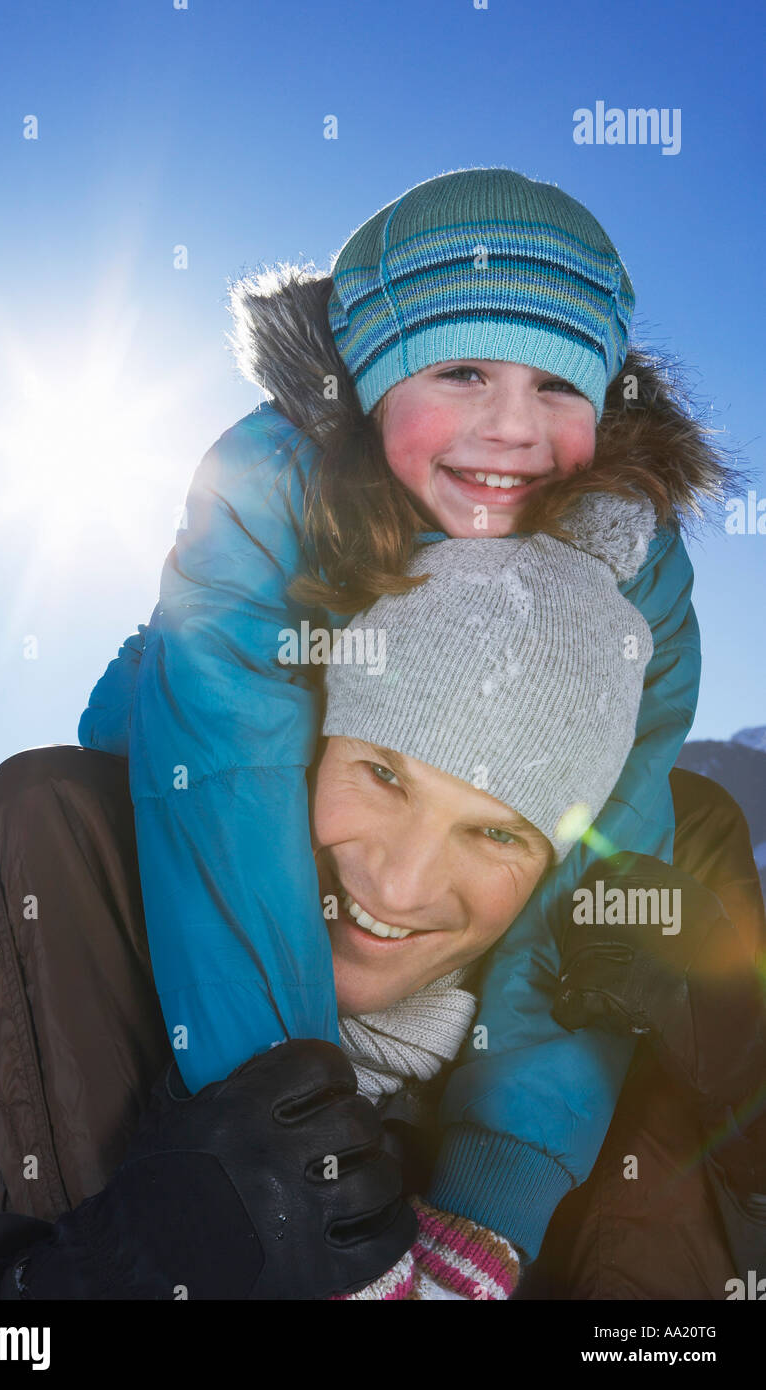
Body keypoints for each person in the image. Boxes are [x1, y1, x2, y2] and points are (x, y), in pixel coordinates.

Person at [77, 165, 740, 1266]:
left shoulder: (637, 569)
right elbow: (225, 781)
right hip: (210, 774)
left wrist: (494, 1196)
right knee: (79, 800)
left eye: (558, 387)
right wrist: (298, 1154)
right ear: (375, 379)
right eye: (464, 370)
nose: (512, 430)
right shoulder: (269, 494)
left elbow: (592, 850)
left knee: (682, 835)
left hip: (429, 940)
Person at [0, 492, 763, 1298]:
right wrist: (97, 1270)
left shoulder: (620, 1030)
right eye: (383, 775)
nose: (399, 883)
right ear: (305, 745)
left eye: (497, 833)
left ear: (555, 867)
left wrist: (748, 1110)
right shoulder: (46, 927)